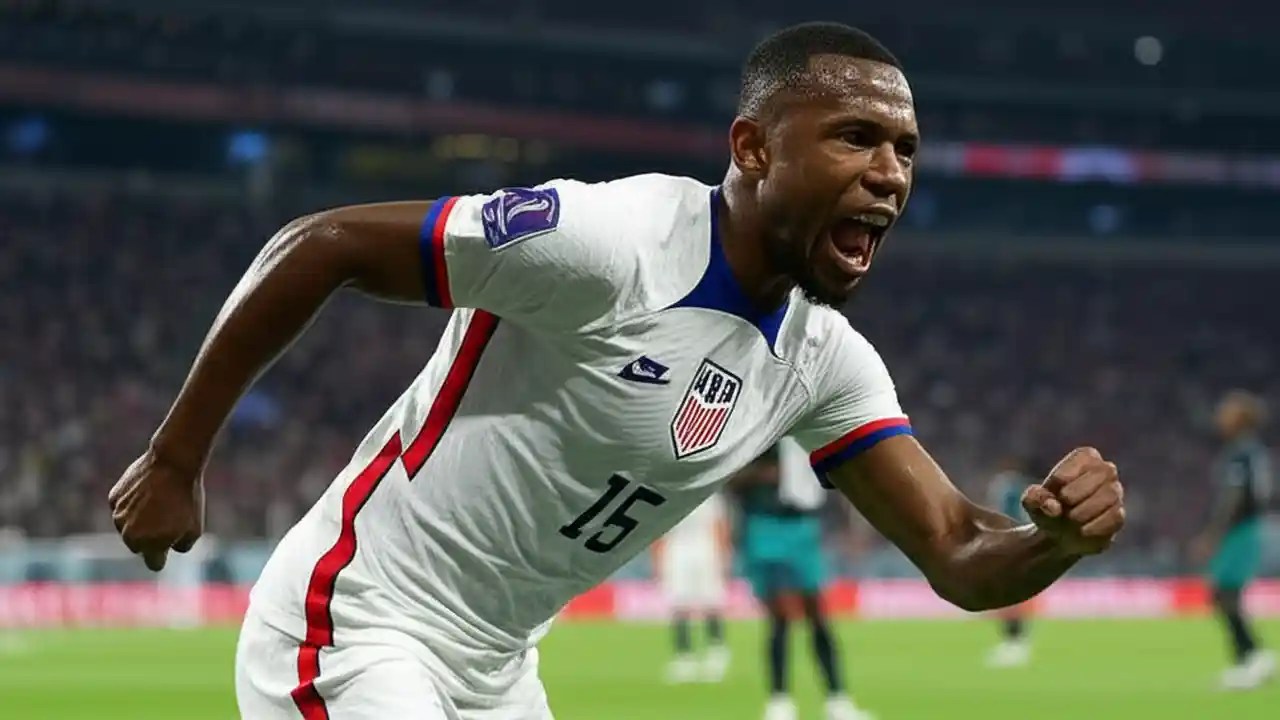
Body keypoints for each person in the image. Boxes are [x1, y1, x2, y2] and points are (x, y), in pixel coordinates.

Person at [107, 21, 1126, 719]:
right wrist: (174, 457)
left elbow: (954, 548)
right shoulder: (611, 243)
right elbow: (320, 242)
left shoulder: (821, 363)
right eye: (856, 137)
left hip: (497, 672)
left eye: (904, 149)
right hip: (357, 621)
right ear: (754, 148)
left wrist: (1053, 541)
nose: (889, 173)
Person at [735, 438, 869, 720]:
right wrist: (763, 475)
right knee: (780, 616)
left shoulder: (811, 437)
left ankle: (837, 699)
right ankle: (780, 699)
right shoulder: (762, 437)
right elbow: (730, 478)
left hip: (804, 527)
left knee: (818, 615)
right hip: (768, 526)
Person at [1192, 390, 1275, 690]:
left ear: (1240, 418)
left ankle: (1249, 659)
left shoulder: (1241, 453)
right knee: (1224, 594)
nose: (1220, 417)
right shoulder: (1253, 451)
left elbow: (1234, 497)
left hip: (1241, 529)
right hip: (1248, 527)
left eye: (1226, 411)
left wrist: (1213, 535)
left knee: (1225, 593)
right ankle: (1252, 657)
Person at [653, 492, 732, 684]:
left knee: (711, 601)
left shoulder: (710, 494)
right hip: (677, 552)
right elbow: (658, 530)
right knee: (679, 604)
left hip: (706, 550)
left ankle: (717, 650)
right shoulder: (669, 494)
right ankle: (684, 655)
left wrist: (724, 554)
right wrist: (657, 559)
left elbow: (719, 524)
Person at [983, 456, 1038, 668]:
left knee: (1011, 598)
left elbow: (1002, 515)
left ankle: (1015, 644)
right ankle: (1015, 643)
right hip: (1019, 544)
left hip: (1012, 544)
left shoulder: (1008, 487)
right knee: (1011, 597)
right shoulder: (1019, 486)